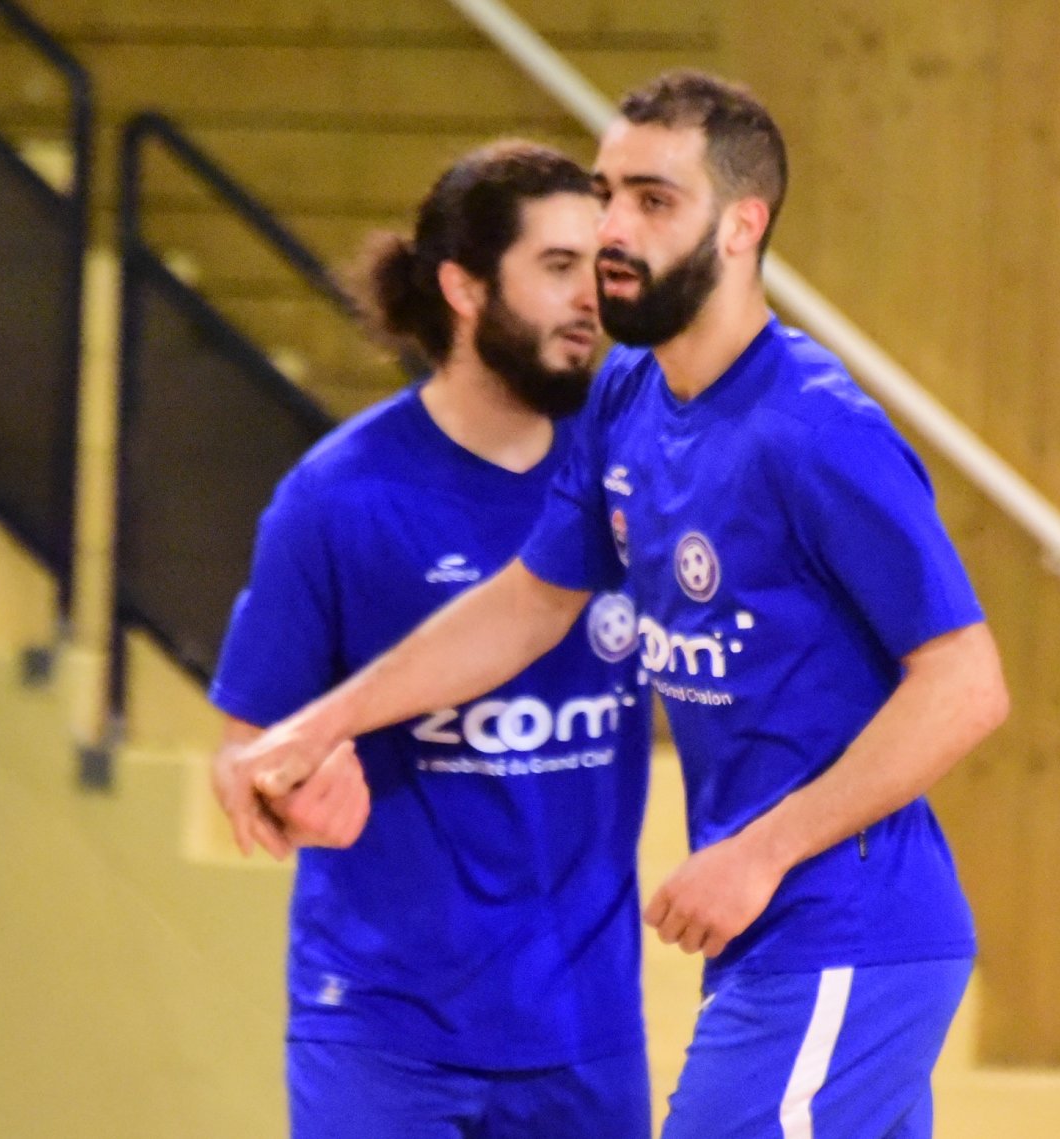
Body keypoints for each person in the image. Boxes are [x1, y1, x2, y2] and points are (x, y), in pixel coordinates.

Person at [227, 71, 1010, 1139]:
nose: (614, 229)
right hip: (769, 945)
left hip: (846, 930)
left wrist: (757, 852)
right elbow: (528, 603)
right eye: (607, 195)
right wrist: (320, 722)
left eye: (654, 200)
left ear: (742, 225)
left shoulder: (814, 430)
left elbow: (966, 685)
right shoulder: (627, 399)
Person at [209, 140, 653, 1139]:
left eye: (601, 268)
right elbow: (247, 748)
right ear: (462, 286)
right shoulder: (334, 499)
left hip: (586, 1026)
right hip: (382, 1029)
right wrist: (294, 799)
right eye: (555, 268)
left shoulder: (633, 475)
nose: (591, 299)